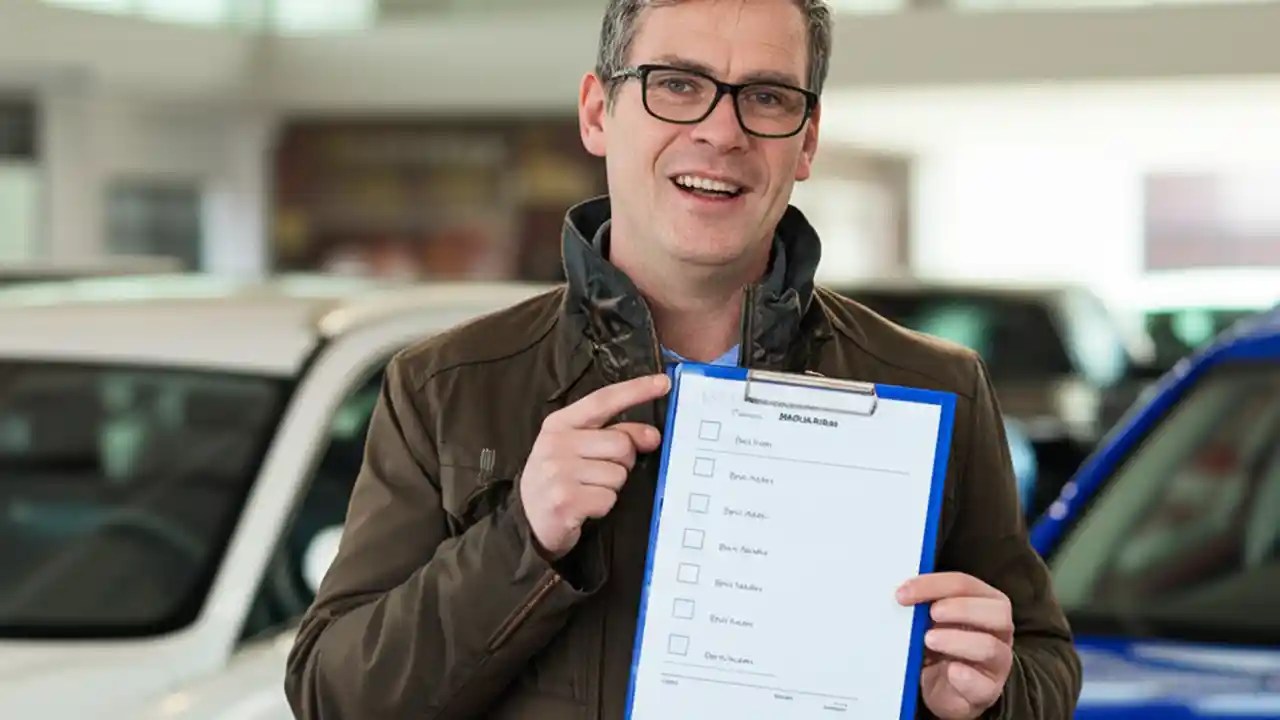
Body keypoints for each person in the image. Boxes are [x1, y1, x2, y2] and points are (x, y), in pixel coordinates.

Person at [283, 1, 1083, 718]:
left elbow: (1045, 664)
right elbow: (332, 696)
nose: (722, 131)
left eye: (767, 97)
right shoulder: (446, 388)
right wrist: (521, 539)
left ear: (805, 141)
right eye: (676, 83)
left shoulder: (930, 387)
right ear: (599, 112)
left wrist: (989, 696)